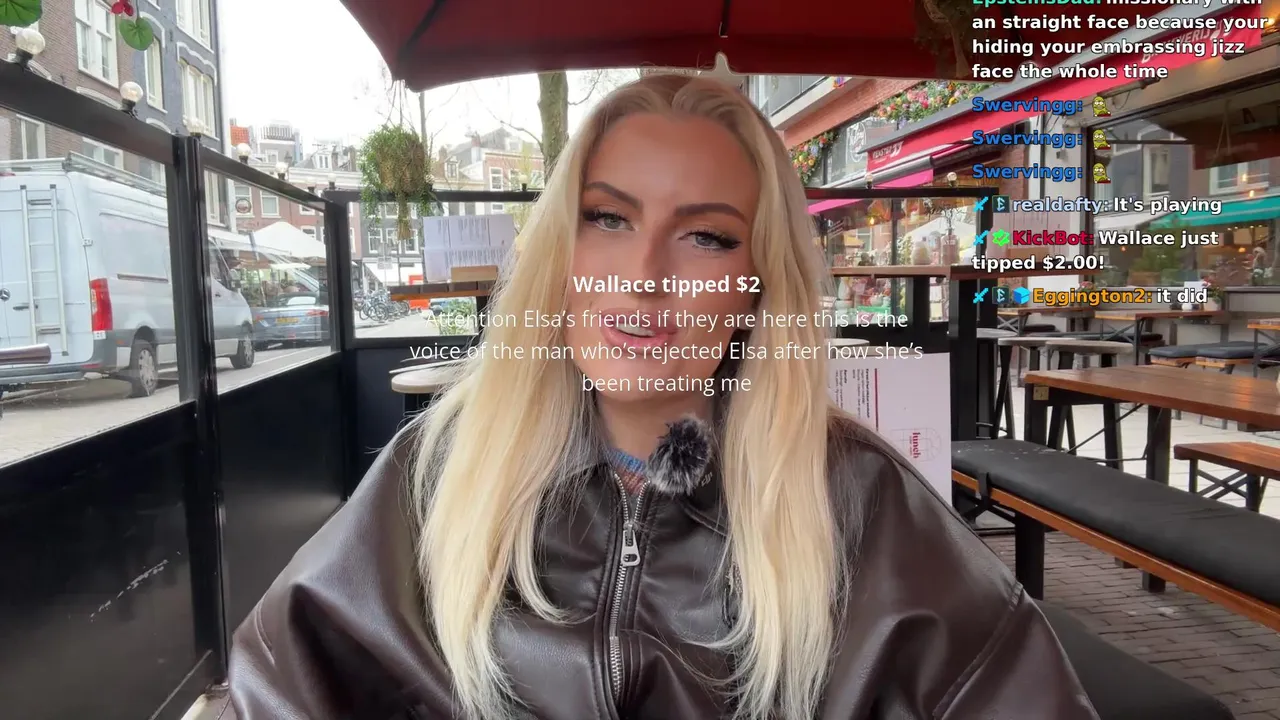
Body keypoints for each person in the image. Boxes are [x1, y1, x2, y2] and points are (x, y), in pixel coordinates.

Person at [229, 74, 1098, 719]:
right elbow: (276, 686)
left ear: (759, 285)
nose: (643, 277)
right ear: (558, 250)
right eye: (608, 218)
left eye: (706, 237)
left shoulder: (859, 500)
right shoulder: (440, 469)